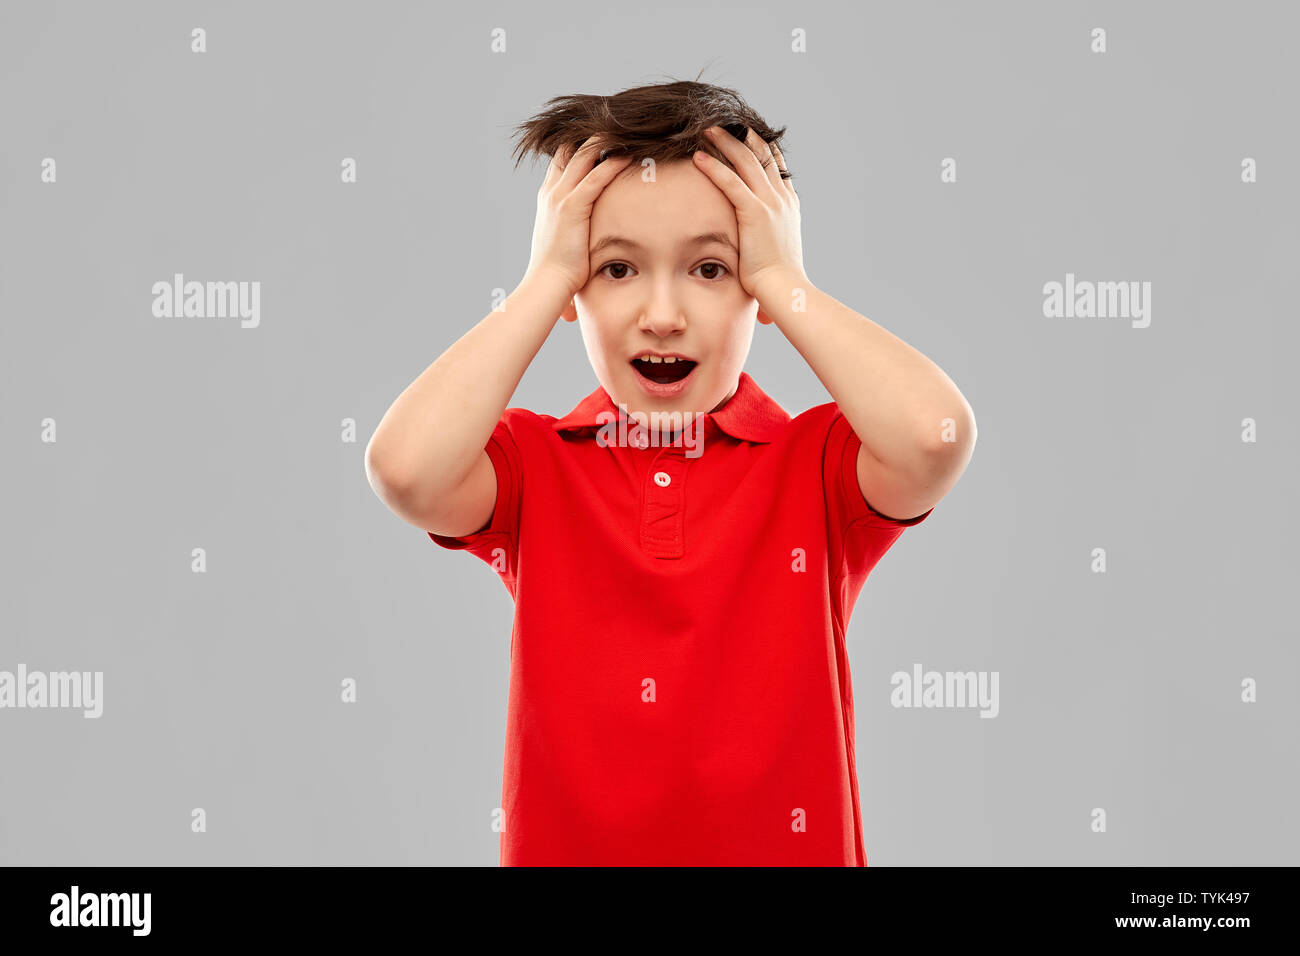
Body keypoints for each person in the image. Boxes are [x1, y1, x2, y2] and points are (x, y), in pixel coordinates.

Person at [365, 78, 976, 865]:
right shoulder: (533, 468)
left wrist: (788, 282)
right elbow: (406, 470)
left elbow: (935, 437)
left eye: (711, 270)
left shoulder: (818, 468)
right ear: (574, 288)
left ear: (756, 289)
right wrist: (542, 279)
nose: (663, 313)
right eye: (616, 269)